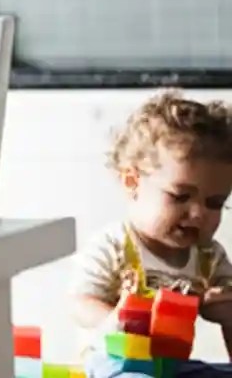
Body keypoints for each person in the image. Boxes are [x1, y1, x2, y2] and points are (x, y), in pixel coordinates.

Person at [71, 91, 232, 377]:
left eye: (214, 203)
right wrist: (117, 318)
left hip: (173, 367)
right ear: (132, 182)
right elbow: (81, 304)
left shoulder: (209, 257)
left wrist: (228, 316)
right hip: (116, 365)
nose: (198, 214)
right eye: (180, 196)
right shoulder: (113, 245)